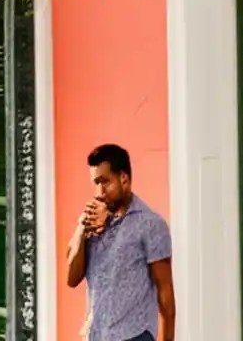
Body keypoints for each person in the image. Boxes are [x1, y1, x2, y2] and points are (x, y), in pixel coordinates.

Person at [66, 143, 175, 341]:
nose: (99, 192)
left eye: (104, 182)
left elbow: (165, 293)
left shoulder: (150, 224)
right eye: (95, 183)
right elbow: (72, 279)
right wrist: (82, 229)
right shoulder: (93, 222)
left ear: (124, 179)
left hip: (134, 335)